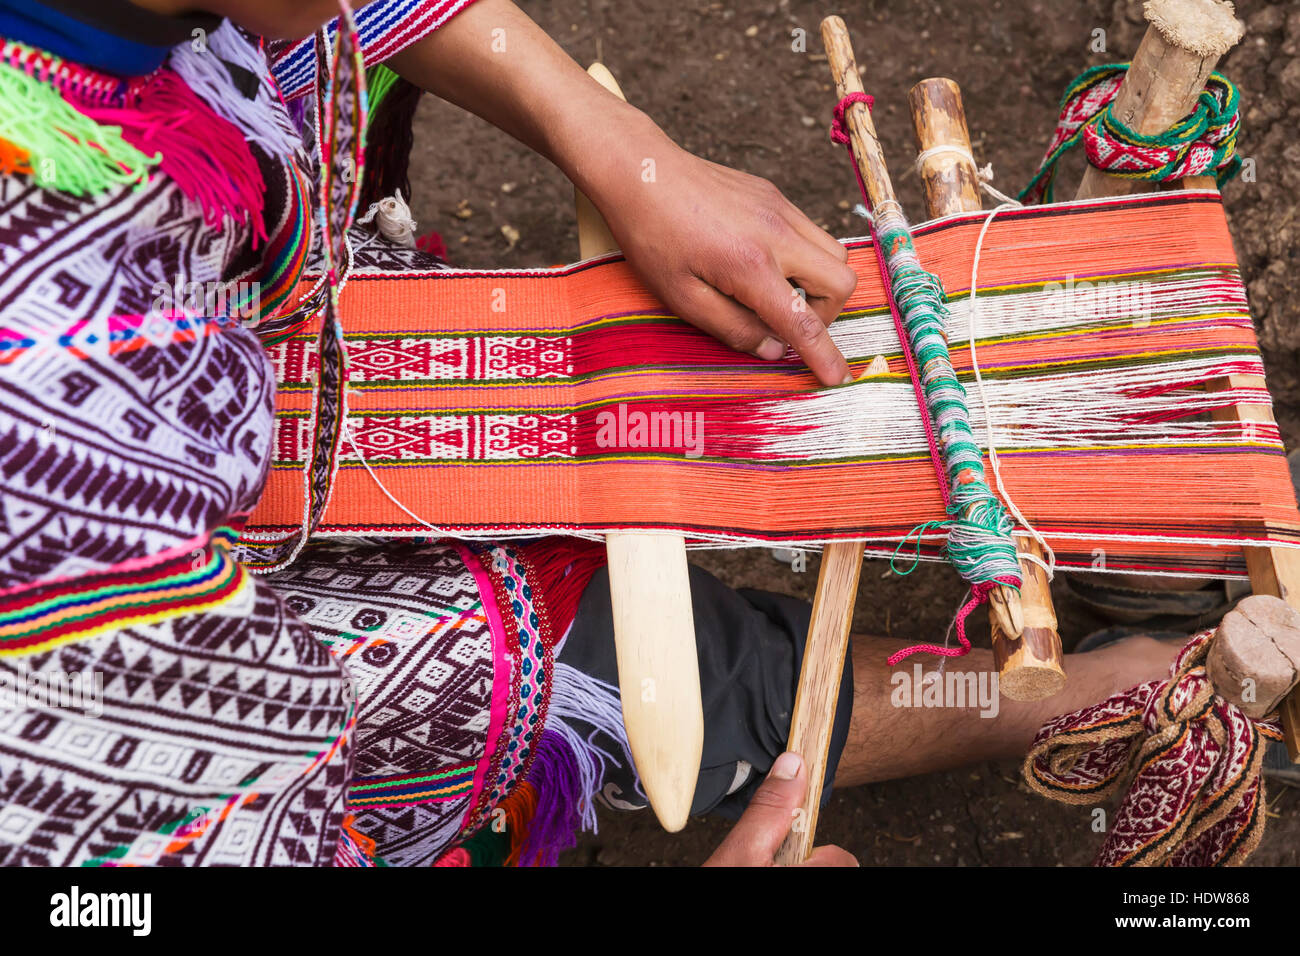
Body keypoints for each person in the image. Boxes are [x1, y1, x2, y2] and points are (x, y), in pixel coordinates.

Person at [0, 0, 1180, 867]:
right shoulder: (53, 424)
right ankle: (1090, 692)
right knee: (526, 651)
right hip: (96, 664)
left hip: (207, 372)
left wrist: (624, 146)